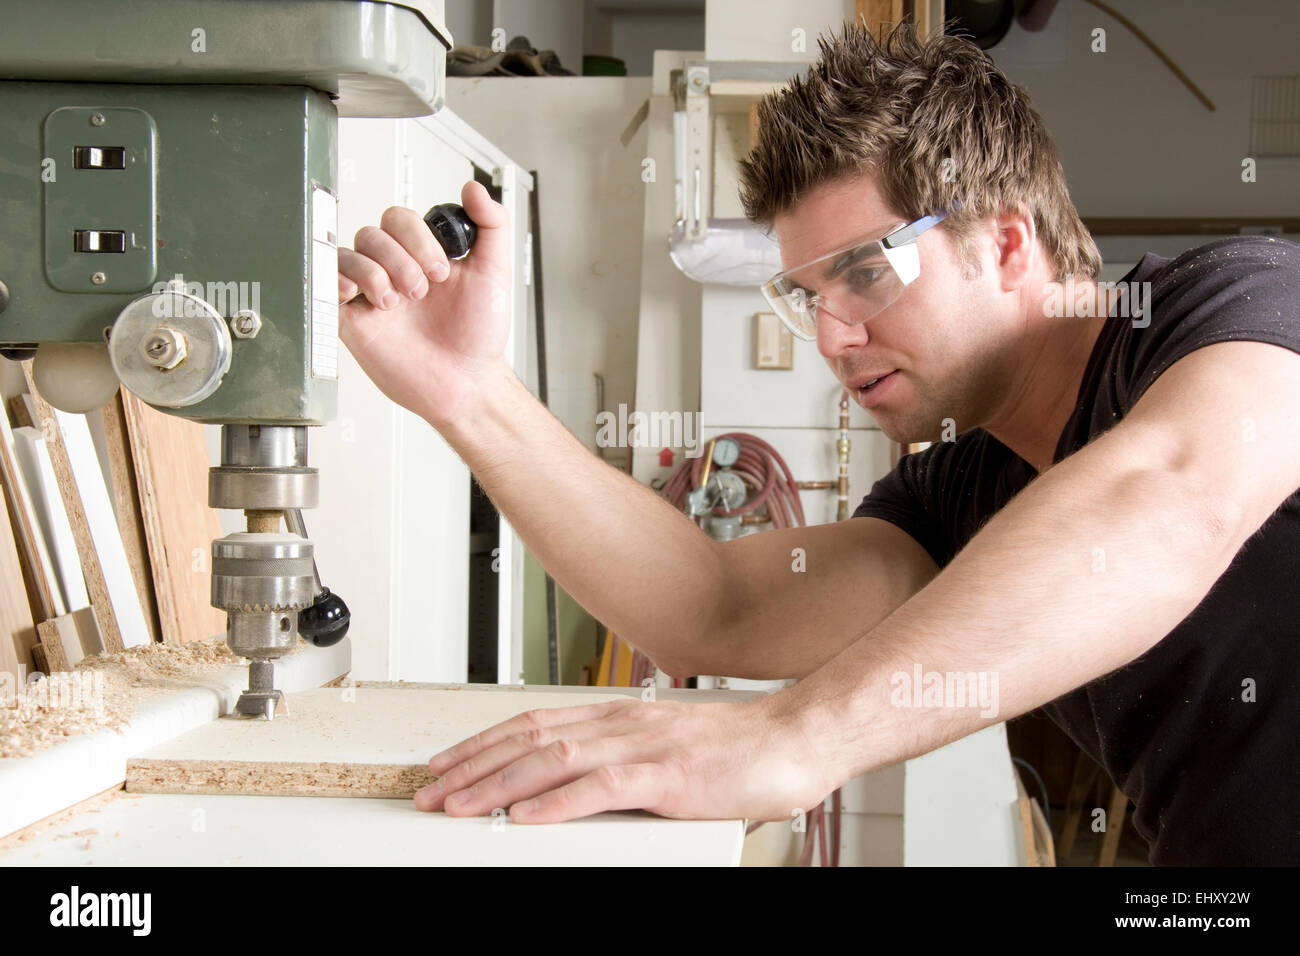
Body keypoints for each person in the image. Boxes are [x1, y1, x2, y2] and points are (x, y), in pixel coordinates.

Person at [337, 22, 1300, 864]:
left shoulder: (1242, 303)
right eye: (808, 299)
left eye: (867, 276)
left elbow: (1172, 494)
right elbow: (713, 607)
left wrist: (790, 739)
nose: (833, 340)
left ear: (1006, 244)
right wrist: (470, 394)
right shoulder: (958, 493)